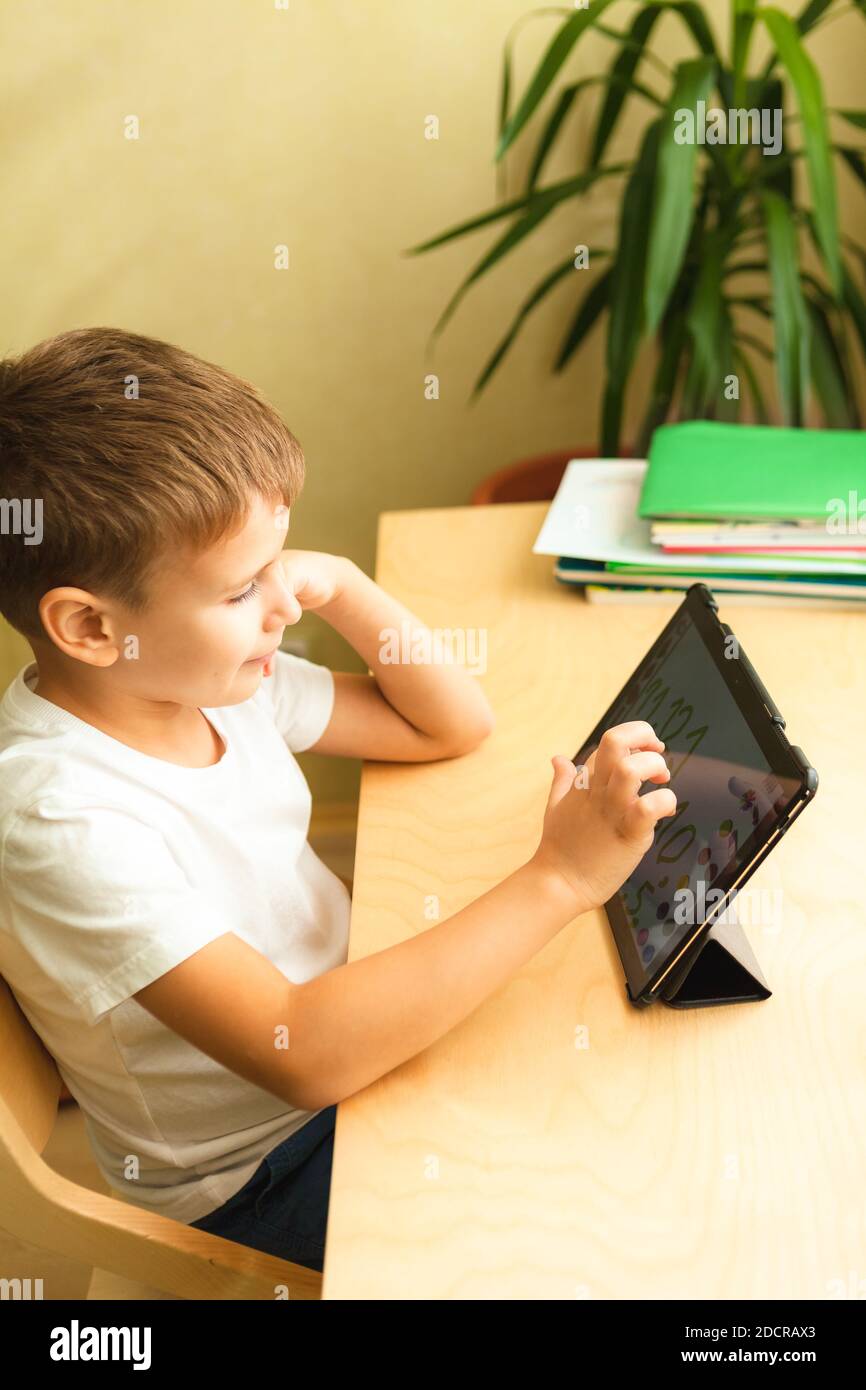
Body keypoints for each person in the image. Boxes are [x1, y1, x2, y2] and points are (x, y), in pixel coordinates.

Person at [0, 327, 675, 1276]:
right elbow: (301, 1051)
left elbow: (449, 724)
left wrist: (345, 586)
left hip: (359, 1045)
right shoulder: (58, 816)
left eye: (279, 568)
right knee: (588, 1223)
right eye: (243, 588)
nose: (279, 605)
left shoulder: (202, 677)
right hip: (266, 1172)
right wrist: (562, 877)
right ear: (92, 627)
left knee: (624, 1096)